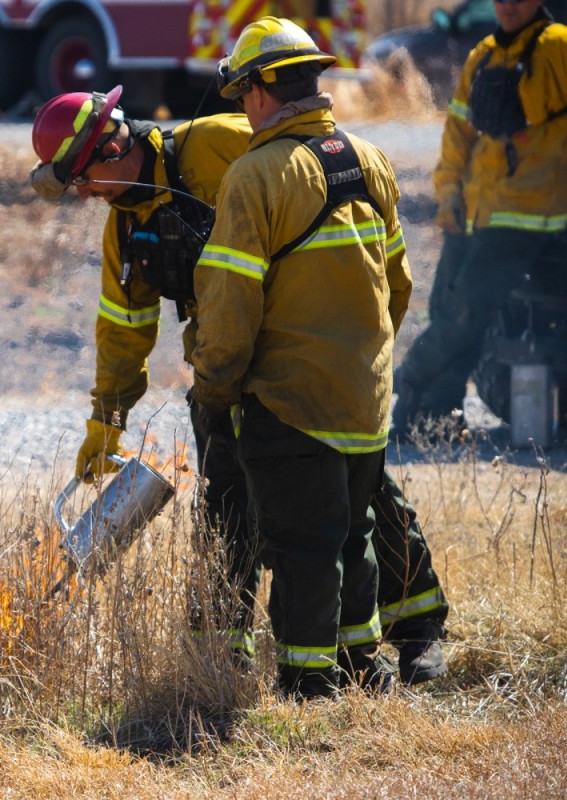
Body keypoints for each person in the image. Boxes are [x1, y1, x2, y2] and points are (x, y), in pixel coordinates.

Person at [28, 81, 448, 689]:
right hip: (224, 374)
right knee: (226, 511)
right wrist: (107, 422)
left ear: (112, 148)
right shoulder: (126, 229)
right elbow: (123, 331)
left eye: (84, 179)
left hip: (298, 358)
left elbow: (309, 181)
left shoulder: (221, 145)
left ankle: (417, 627)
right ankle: (224, 659)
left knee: (359, 493)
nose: (85, 195)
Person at [189, 17, 412, 699]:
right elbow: (398, 285)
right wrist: (363, 358)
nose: (243, 110)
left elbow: (229, 306)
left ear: (259, 91)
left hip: (292, 403)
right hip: (364, 398)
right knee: (354, 536)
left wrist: (215, 388)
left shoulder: (256, 176)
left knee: (304, 546)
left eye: (242, 96)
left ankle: (309, 686)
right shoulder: (370, 160)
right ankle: (362, 666)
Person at [392, 0, 567, 436]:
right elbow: (457, 133)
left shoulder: (561, 47)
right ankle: (432, 419)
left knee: (463, 316)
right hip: (474, 211)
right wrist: (449, 193)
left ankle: (405, 381)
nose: (507, 5)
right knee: (450, 311)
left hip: (526, 215)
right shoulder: (485, 53)